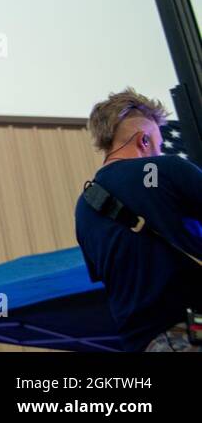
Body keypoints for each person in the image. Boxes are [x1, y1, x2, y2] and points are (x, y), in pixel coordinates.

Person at [74, 88, 202, 352]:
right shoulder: (166, 169)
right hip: (189, 333)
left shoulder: (84, 209)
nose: (160, 149)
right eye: (158, 142)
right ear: (144, 140)